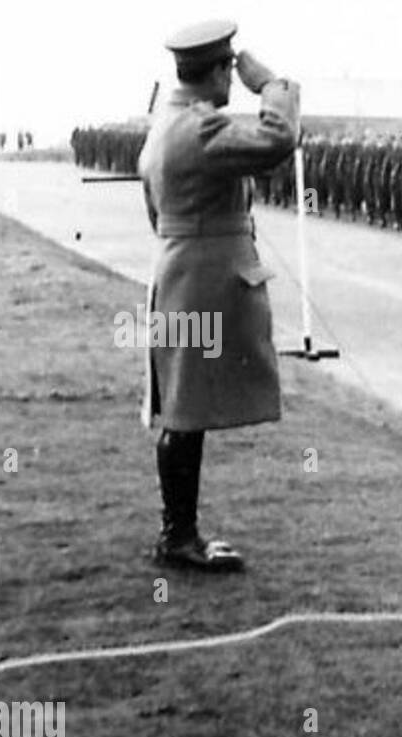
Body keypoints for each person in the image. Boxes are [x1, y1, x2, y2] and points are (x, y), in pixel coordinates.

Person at [136, 20, 299, 570]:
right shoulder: (200, 129)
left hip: (179, 271)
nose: (234, 74)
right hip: (201, 281)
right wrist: (271, 85)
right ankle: (178, 538)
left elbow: (155, 211)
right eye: (229, 66)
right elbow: (279, 139)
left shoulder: (169, 122)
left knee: (185, 407)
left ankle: (178, 532)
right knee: (184, 411)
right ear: (216, 70)